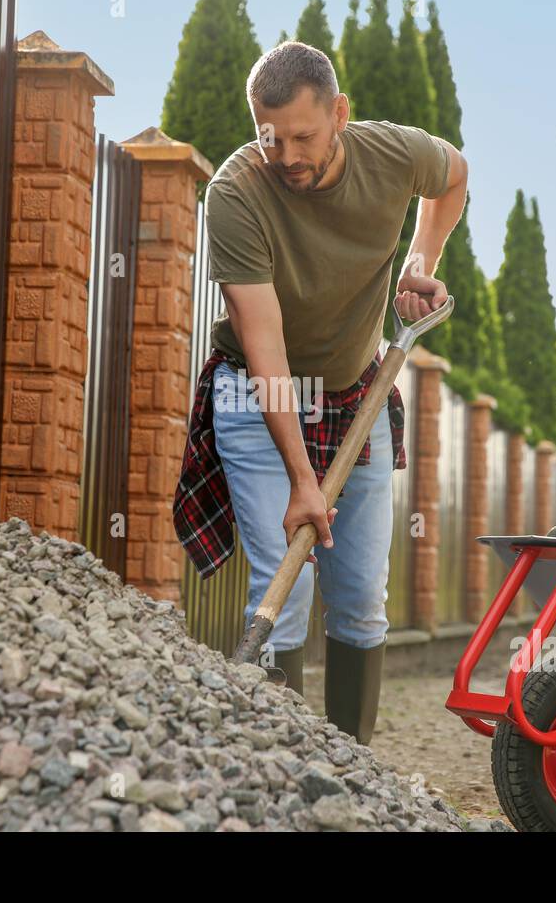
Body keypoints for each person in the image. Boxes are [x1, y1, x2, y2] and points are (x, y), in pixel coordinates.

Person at [173, 40, 468, 745]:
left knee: (363, 602)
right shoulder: (238, 194)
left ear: (338, 114)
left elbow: (454, 175)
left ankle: (350, 774)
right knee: (288, 585)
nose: (286, 155)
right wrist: (307, 481)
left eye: (303, 136)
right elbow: (266, 342)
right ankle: (277, 759)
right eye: (269, 137)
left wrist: (418, 266)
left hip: (353, 396)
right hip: (257, 392)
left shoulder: (393, 154)